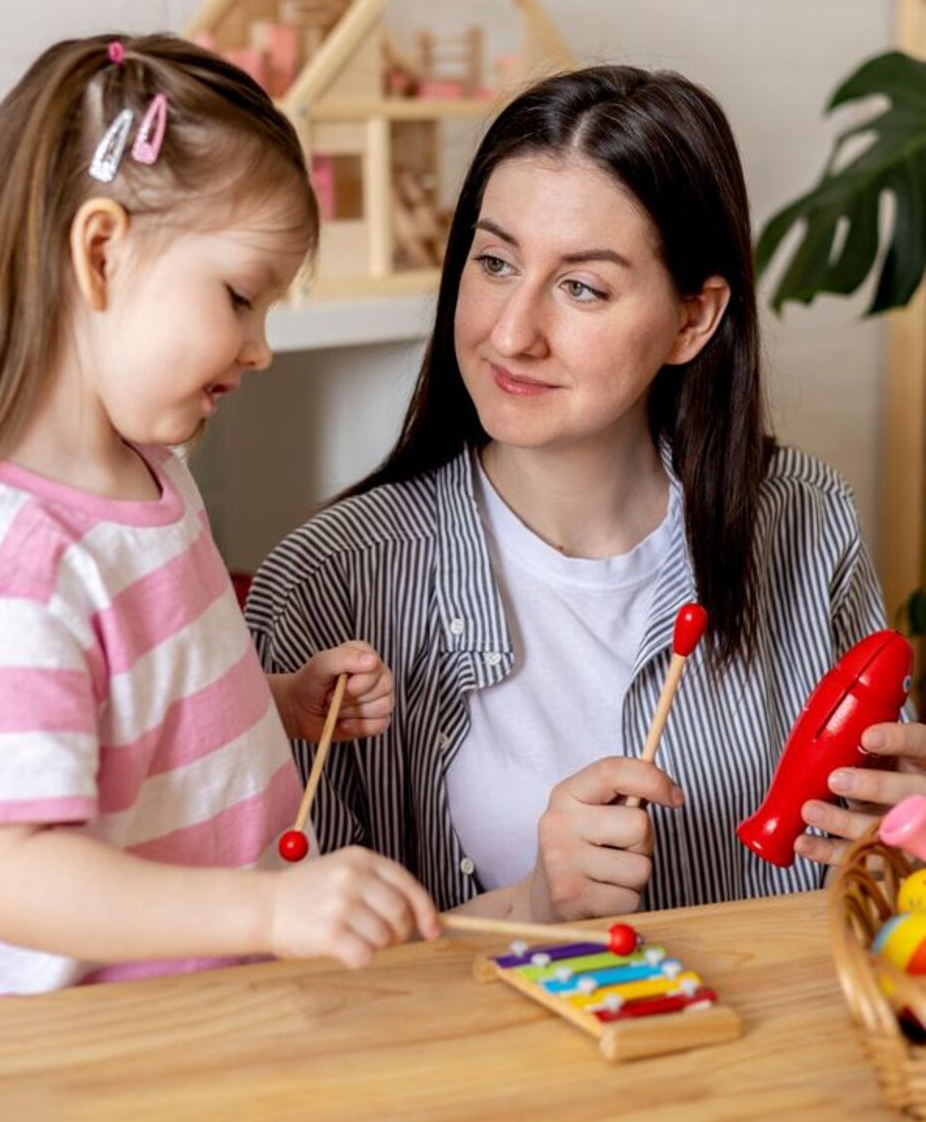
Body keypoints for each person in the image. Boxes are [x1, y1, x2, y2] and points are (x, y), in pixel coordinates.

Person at [247, 64, 926, 922]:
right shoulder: (327, 582)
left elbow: (887, 907)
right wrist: (530, 904)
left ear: (693, 319)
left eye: (581, 287)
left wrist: (902, 830)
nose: (510, 331)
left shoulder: (807, 518)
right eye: (494, 262)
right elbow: (288, 976)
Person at [0, 32, 440, 999]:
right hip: (98, 1060)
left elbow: (142, 711)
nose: (261, 348)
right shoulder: (18, 562)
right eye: (239, 297)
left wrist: (279, 698)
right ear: (101, 253)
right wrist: (268, 909)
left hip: (215, 997)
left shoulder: (156, 476)